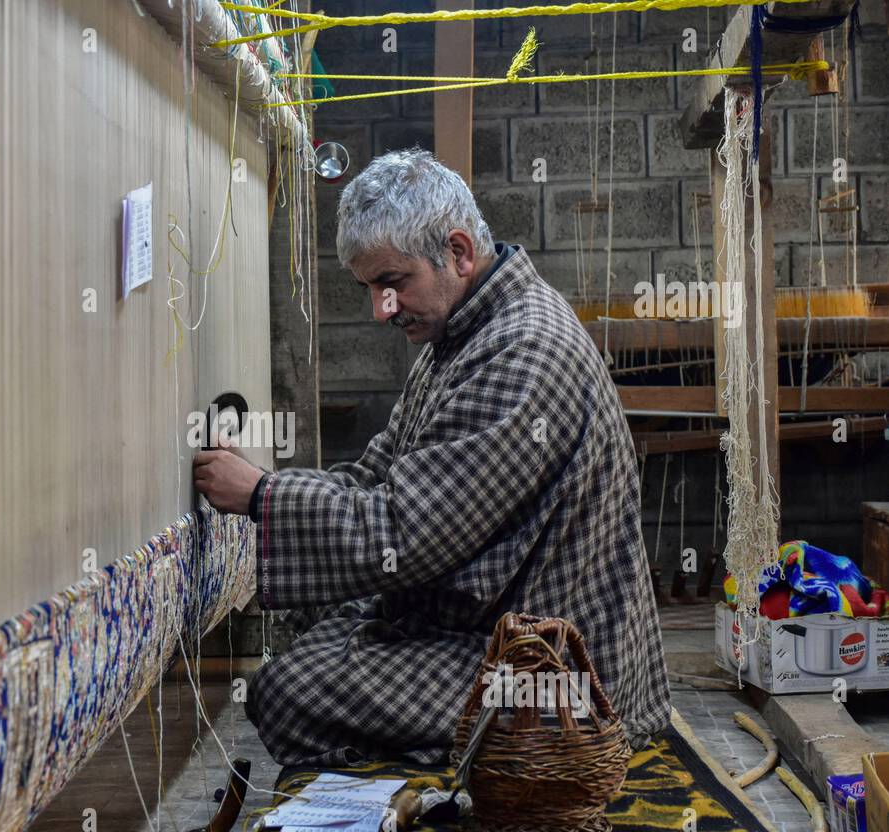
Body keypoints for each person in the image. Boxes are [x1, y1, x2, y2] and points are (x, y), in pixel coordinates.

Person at [191, 147, 670, 767]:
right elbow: (376, 475)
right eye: (370, 289)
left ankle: (519, 753)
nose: (380, 310)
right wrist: (264, 486)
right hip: (487, 627)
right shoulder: (459, 338)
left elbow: (405, 530)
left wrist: (261, 496)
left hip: (549, 668)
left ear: (459, 252)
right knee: (320, 629)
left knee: (288, 693)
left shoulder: (523, 353)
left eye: (392, 283)